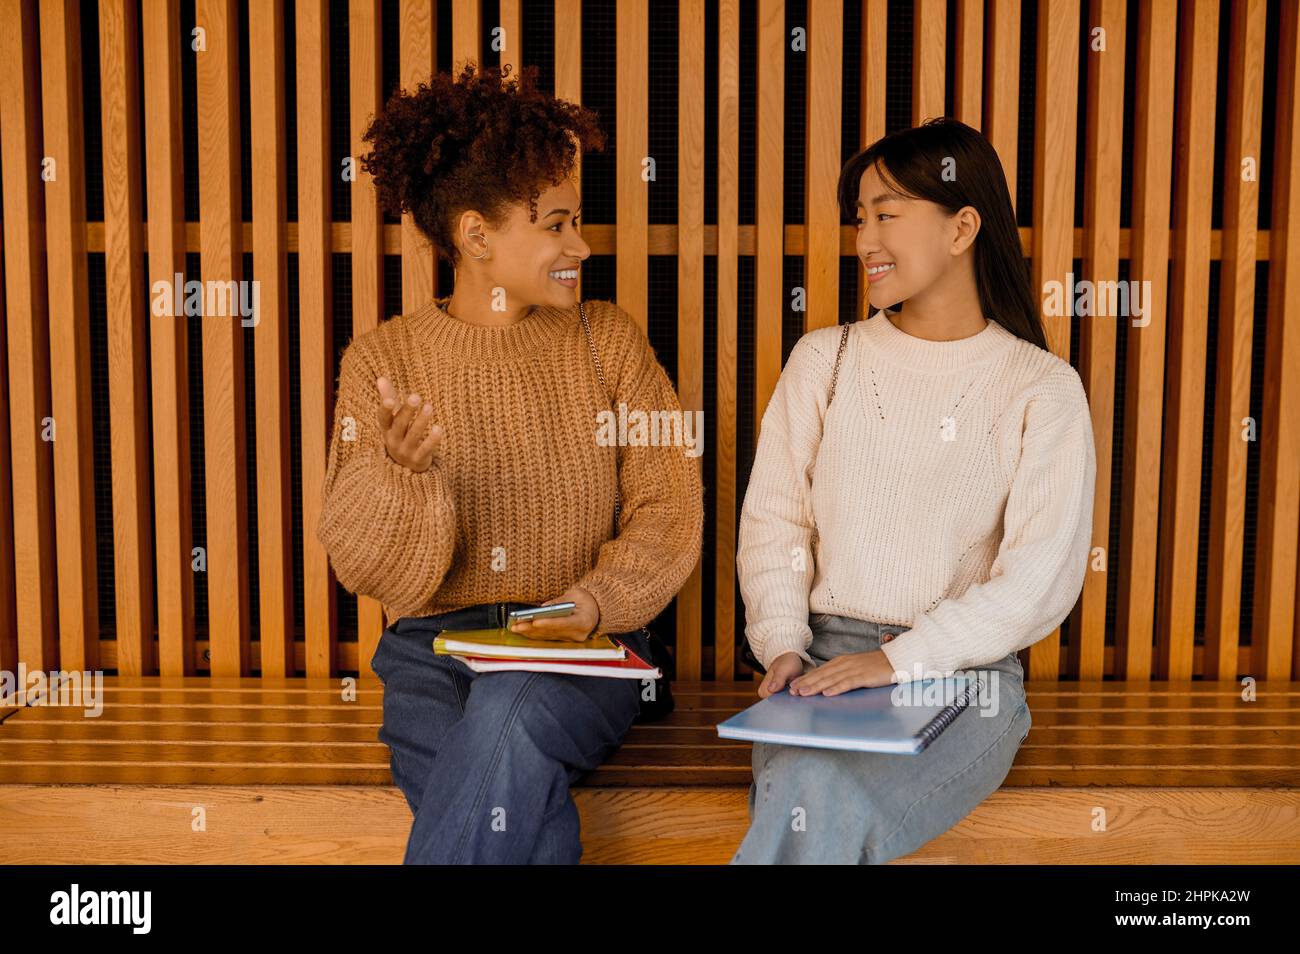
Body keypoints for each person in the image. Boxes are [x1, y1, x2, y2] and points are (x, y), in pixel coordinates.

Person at [317, 62, 704, 864]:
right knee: (506, 802)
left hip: (585, 645)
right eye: (556, 224)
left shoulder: (610, 342)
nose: (581, 244)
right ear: (476, 235)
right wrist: (397, 476)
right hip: (430, 654)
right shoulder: (381, 360)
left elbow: (670, 508)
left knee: (502, 724)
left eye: (575, 221)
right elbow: (357, 559)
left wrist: (595, 602)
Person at [733, 117, 1096, 864]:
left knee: (820, 801)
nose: (865, 238)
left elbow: (1038, 580)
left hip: (966, 680)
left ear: (963, 226)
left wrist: (902, 661)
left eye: (887, 214)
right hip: (821, 662)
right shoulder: (823, 360)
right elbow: (775, 521)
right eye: (860, 217)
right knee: (809, 783)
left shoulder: (1042, 389)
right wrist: (781, 645)